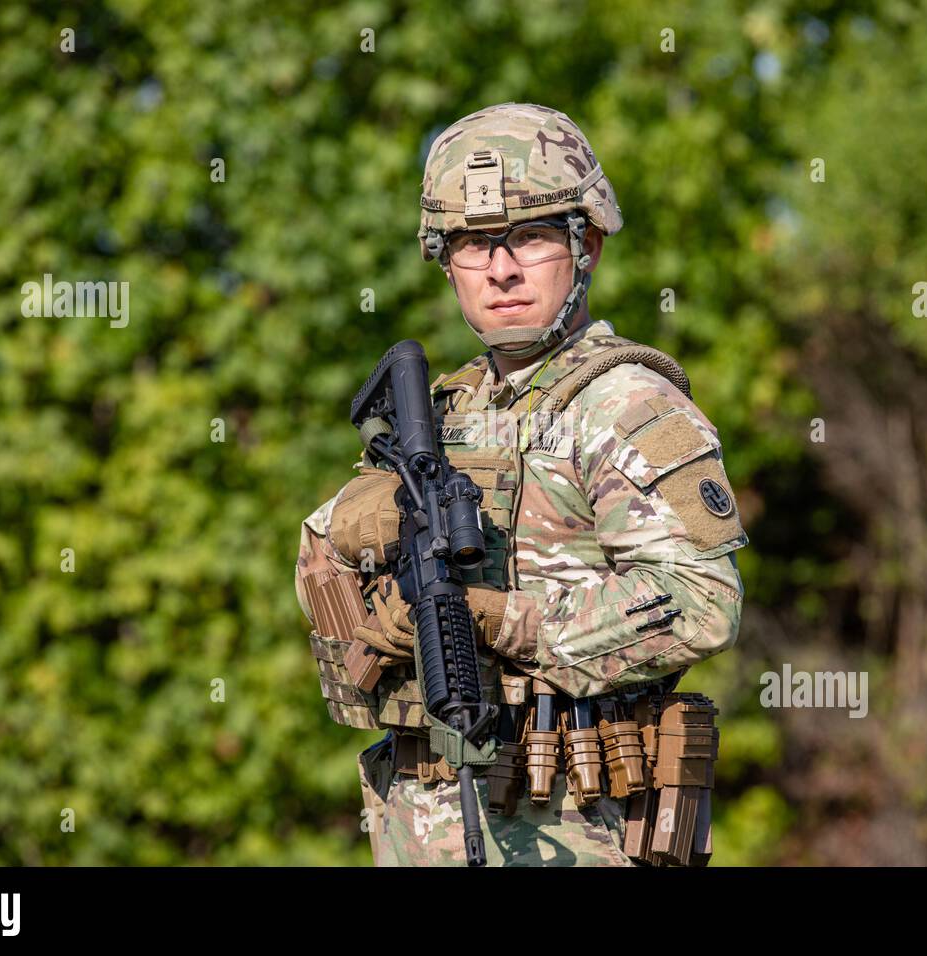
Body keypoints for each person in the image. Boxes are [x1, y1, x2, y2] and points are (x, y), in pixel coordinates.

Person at [295, 102, 748, 866]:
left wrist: (503, 622)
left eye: (530, 237)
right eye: (473, 244)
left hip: (571, 824)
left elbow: (703, 604)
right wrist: (343, 542)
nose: (500, 268)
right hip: (420, 824)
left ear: (587, 245)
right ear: (446, 261)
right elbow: (321, 584)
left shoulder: (626, 404)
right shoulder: (440, 416)